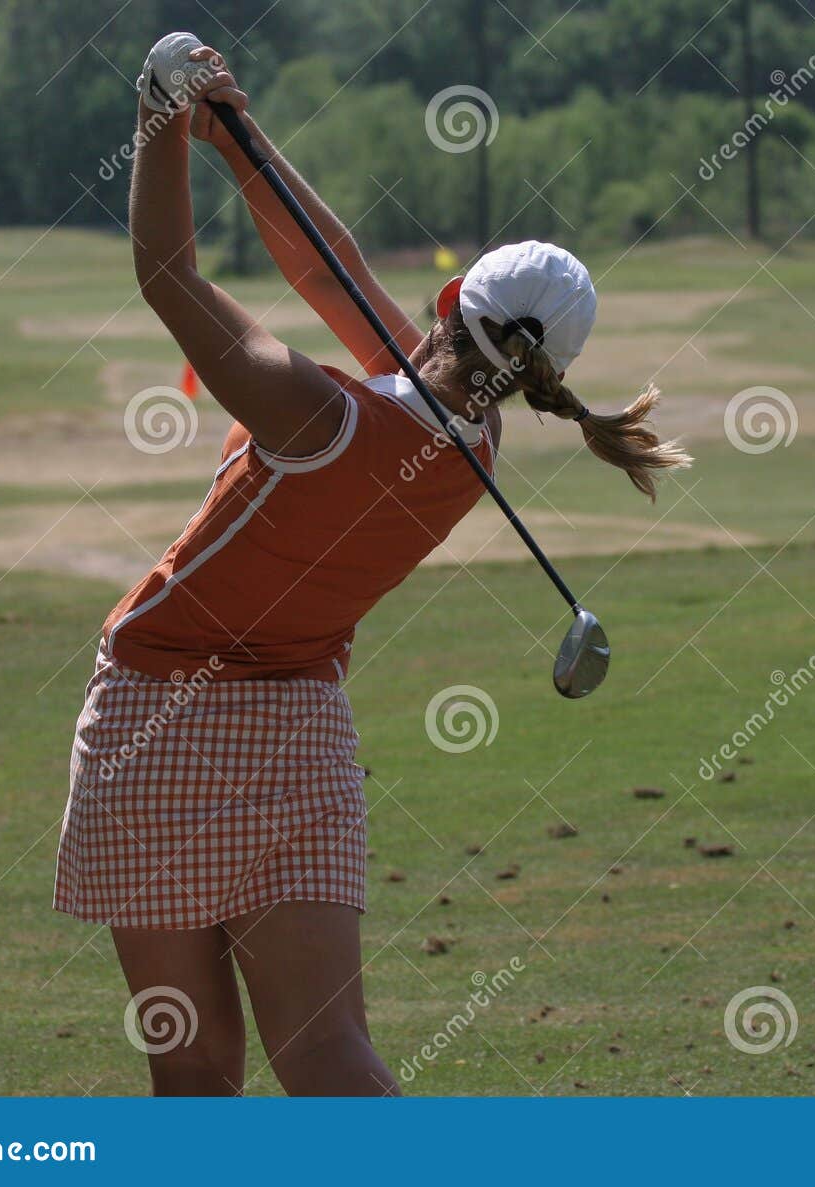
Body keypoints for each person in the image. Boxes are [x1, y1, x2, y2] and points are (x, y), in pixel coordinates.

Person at [53, 40, 691, 1097]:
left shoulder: (321, 415)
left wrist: (161, 120)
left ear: (449, 302)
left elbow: (170, 277)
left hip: (154, 723)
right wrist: (232, 140)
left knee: (197, 1067)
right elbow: (324, 266)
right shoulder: (476, 450)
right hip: (302, 731)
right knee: (327, 1054)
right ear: (547, 373)